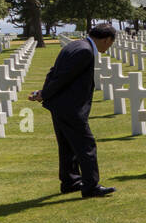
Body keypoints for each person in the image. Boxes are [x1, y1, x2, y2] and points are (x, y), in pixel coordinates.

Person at [27, 22, 117, 198]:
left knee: (67, 145)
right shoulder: (85, 51)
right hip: (71, 107)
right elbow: (63, 77)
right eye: (112, 42)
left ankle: (70, 181)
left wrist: (43, 93)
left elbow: (53, 73)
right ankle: (91, 186)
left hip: (60, 105)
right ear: (107, 40)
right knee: (86, 145)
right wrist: (44, 94)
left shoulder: (75, 45)